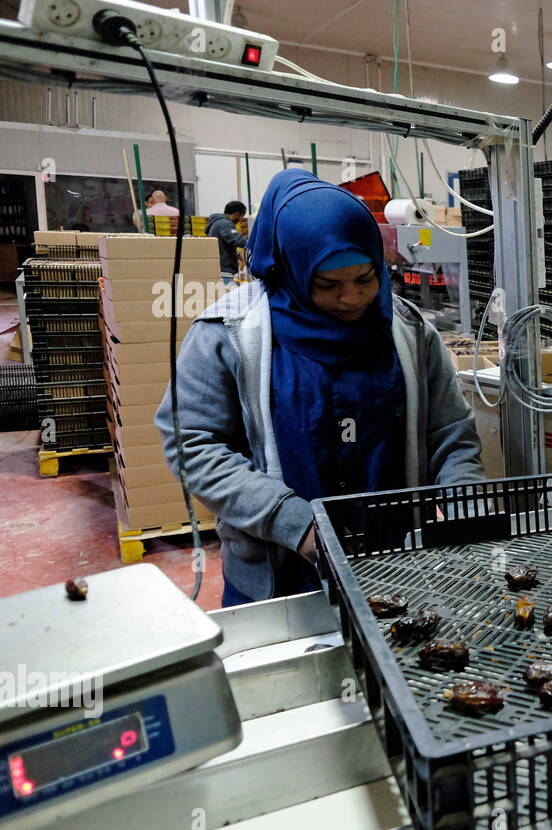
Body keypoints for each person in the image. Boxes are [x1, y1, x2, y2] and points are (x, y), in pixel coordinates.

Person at [156, 169, 485, 607]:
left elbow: (450, 433)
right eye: (328, 285)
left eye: (365, 278)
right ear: (289, 268)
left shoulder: (406, 330)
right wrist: (294, 522)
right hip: (281, 579)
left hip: (400, 571)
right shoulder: (230, 334)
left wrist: (468, 505)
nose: (351, 298)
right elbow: (192, 443)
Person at [206, 200, 249, 282]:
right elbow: (238, 240)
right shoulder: (225, 224)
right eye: (241, 216)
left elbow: (223, 242)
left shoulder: (216, 223)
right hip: (224, 271)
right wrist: (256, 244)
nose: (240, 220)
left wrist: (238, 255)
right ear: (236, 214)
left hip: (218, 268)